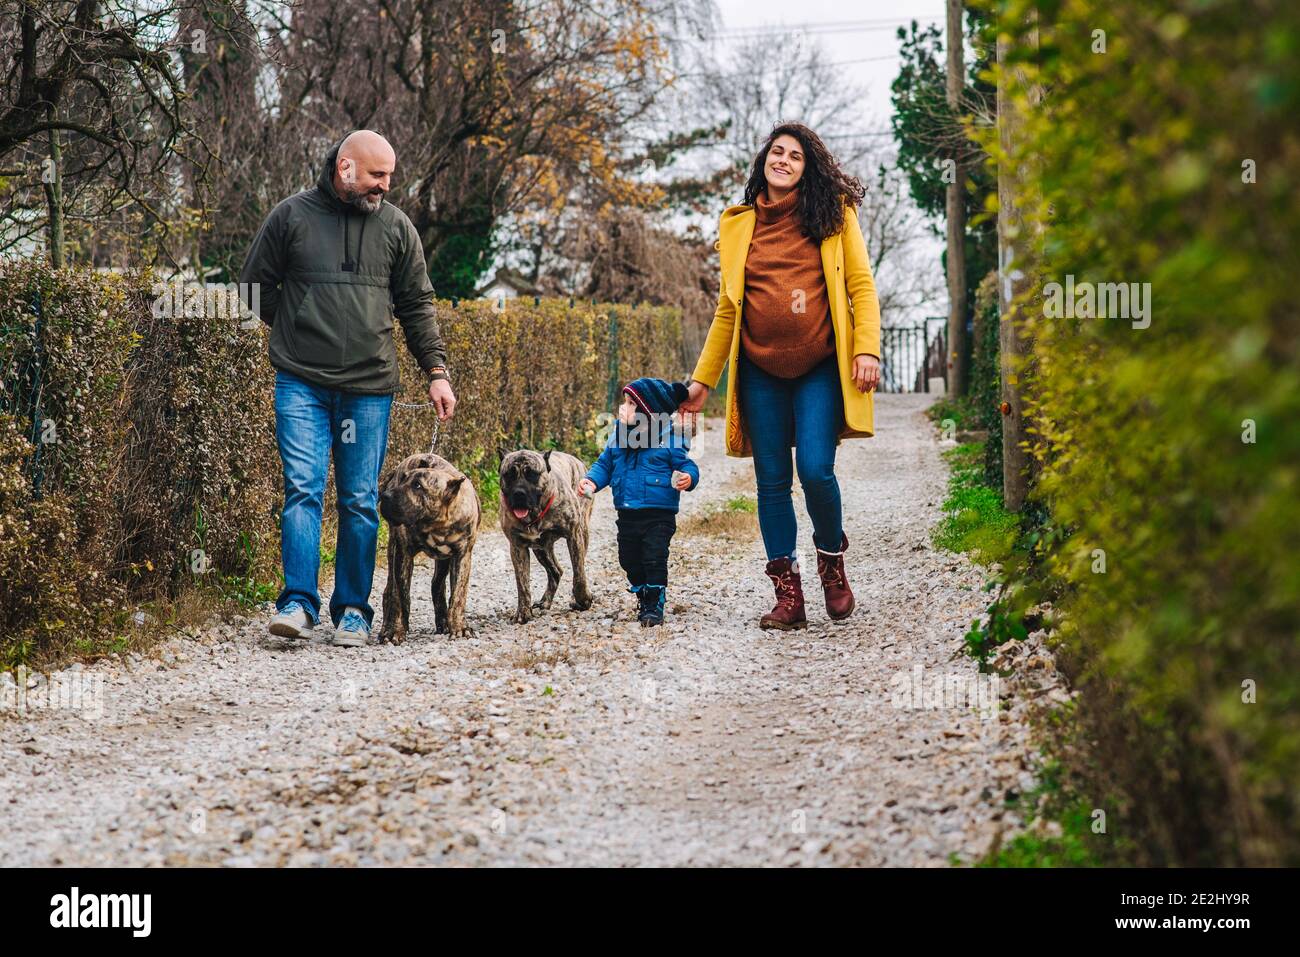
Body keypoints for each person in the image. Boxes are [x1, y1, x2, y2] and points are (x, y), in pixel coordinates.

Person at [239, 129, 457, 647]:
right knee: (303, 491)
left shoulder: (397, 228)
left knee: (360, 499)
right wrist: (294, 325)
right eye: (377, 176)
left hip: (368, 386)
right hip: (301, 383)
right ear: (345, 169)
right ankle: (297, 603)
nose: (385, 186)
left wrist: (437, 372)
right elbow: (251, 288)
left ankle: (354, 611)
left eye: (389, 177)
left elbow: (417, 305)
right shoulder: (290, 217)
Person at [678, 122, 882, 631]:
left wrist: (867, 350)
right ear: (763, 162)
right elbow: (728, 310)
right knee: (771, 483)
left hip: (819, 367)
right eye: (777, 152)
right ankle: (788, 596)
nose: (784, 160)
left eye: (795, 155)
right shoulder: (738, 225)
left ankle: (832, 564)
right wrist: (703, 381)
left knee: (815, 470)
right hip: (760, 372)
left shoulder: (834, 216)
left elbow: (861, 286)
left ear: (807, 167)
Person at [579, 377, 700, 627]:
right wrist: (591, 481)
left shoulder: (671, 439)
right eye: (625, 402)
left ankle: (654, 602)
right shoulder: (618, 436)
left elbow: (686, 464)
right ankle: (642, 591)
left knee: (654, 557)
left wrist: (689, 477)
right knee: (628, 559)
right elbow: (605, 464)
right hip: (627, 512)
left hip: (659, 514)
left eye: (632, 404)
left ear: (649, 413)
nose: (624, 408)